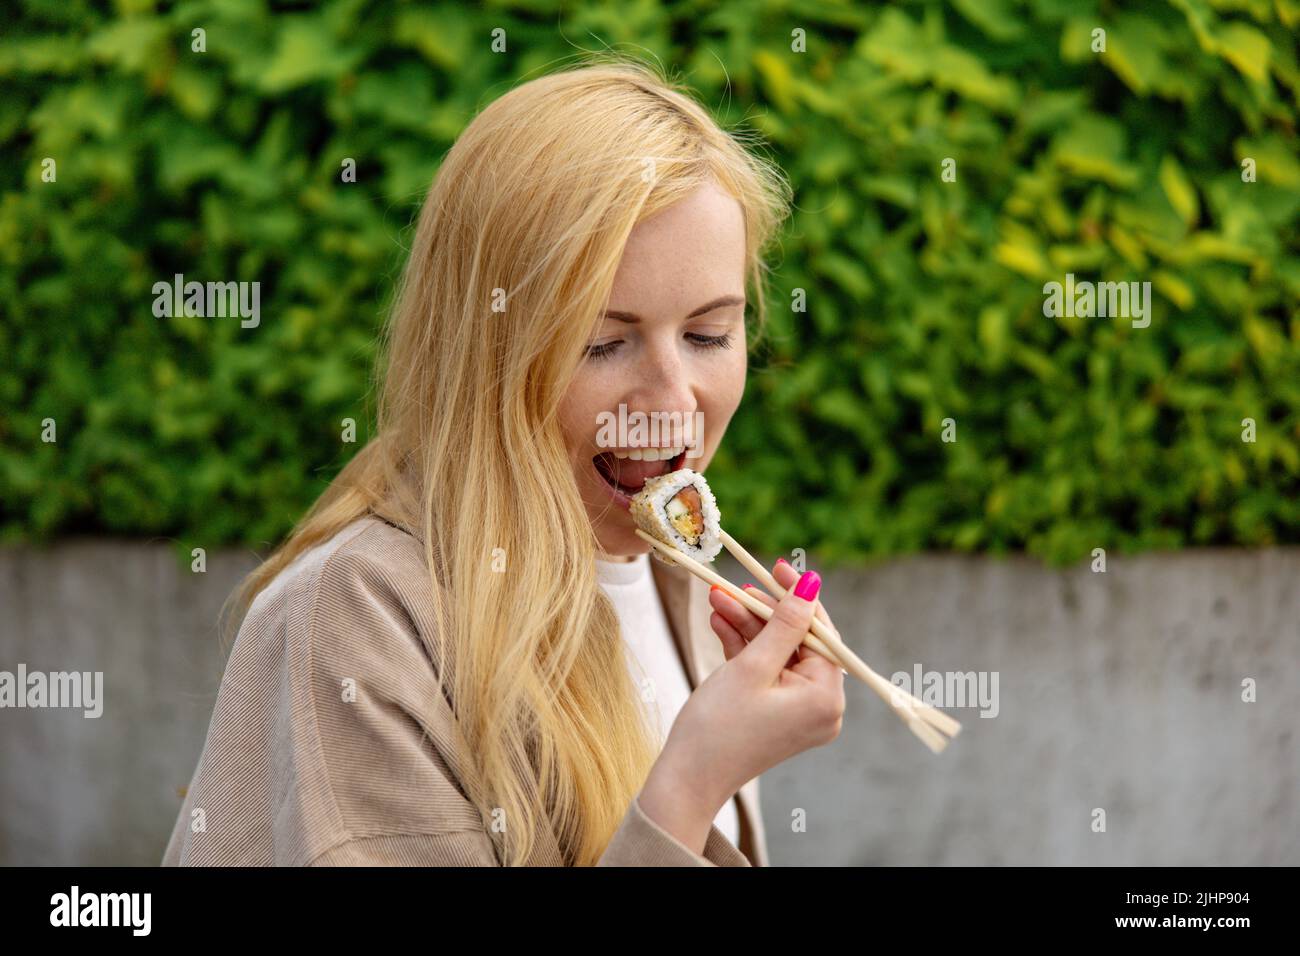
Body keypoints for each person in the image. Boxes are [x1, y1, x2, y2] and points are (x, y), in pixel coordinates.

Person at [162, 55, 845, 868]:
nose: (672, 396)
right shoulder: (355, 621)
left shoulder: (696, 592)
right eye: (602, 342)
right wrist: (692, 781)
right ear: (483, 348)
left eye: (708, 335)